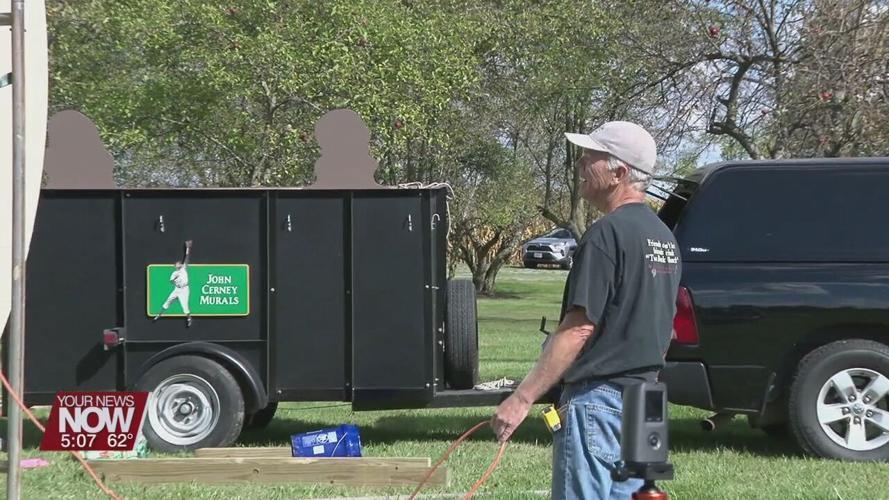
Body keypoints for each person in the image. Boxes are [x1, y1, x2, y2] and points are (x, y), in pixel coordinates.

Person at [491, 121, 681, 499]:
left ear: (619, 173)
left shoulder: (607, 234)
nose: (580, 164)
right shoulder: (666, 239)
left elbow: (579, 328)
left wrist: (522, 398)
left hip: (600, 402)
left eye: (591, 157)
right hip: (647, 403)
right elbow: (665, 331)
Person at [154, 240, 193, 327]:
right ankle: (159, 315)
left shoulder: (184, 268)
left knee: (185, 306)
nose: (179, 264)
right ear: (175, 266)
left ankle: (189, 318)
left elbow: (187, 258)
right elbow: (171, 281)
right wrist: (175, 279)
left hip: (184, 290)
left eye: (179, 263)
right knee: (168, 301)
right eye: (177, 264)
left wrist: (187, 248)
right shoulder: (174, 273)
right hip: (177, 290)